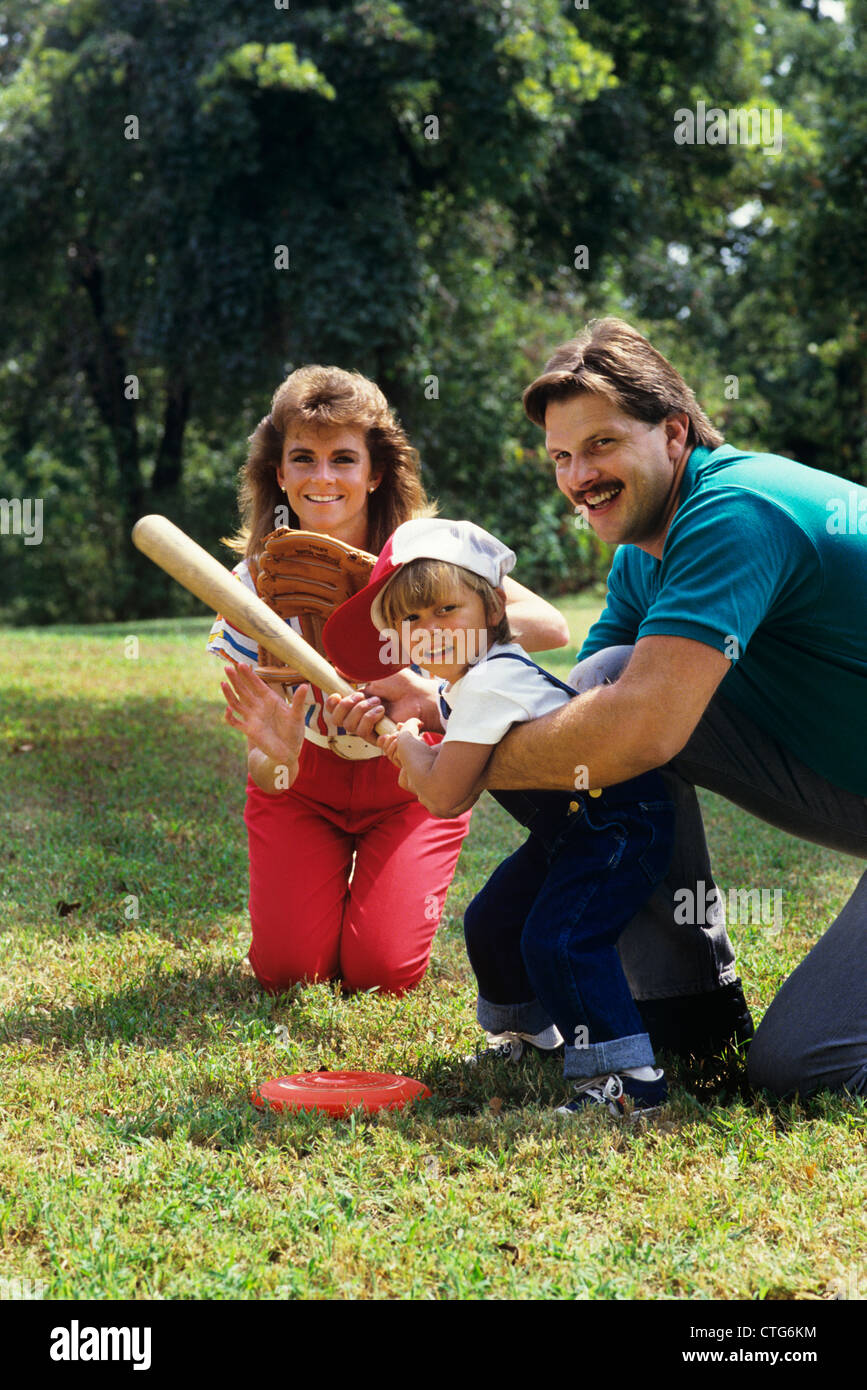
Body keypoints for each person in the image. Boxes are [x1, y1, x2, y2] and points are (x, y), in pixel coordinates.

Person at [373, 317, 867, 1099]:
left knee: (810, 1069)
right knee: (604, 681)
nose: (577, 476)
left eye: (601, 445)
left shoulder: (735, 512)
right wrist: (442, 704)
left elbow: (631, 733)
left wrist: (452, 753)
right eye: (561, 457)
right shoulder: (644, 553)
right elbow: (573, 720)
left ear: (673, 434)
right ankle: (690, 1020)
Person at [209, 365, 568, 996]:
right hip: (303, 786)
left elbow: (550, 624)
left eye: (343, 459)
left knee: (381, 976)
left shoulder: (425, 560)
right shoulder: (251, 588)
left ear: (375, 473)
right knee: (291, 974)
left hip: (413, 777)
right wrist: (275, 758)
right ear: (280, 473)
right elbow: (269, 767)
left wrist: (417, 643)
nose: (323, 478)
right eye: (303, 458)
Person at [323, 516, 677, 1115]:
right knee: (492, 919)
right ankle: (528, 1033)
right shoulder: (474, 681)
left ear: (490, 608)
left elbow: (444, 795)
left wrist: (405, 745)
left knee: (560, 939)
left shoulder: (492, 683)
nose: (429, 632)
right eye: (410, 620)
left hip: (619, 826)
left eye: (444, 610)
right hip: (572, 828)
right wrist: (410, 713)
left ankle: (628, 1082)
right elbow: (450, 717)